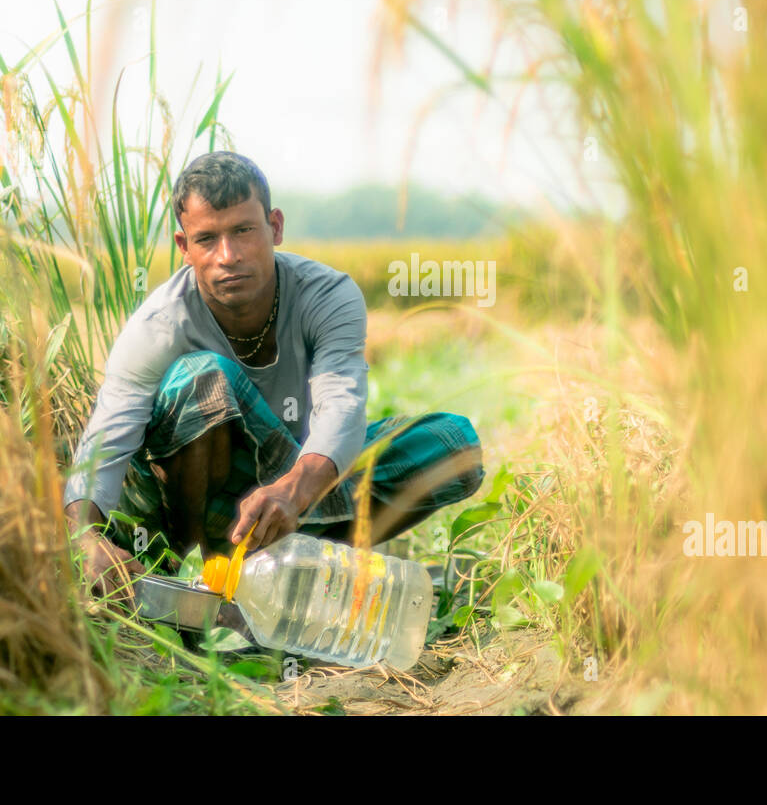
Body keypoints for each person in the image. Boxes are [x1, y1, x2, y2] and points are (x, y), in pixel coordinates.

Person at [63, 151, 485, 603]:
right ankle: (197, 585)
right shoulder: (159, 325)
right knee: (205, 376)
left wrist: (293, 489)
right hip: (186, 506)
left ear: (275, 227)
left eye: (243, 230)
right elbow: (105, 442)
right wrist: (84, 539)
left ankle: (293, 568)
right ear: (184, 248)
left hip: (289, 477)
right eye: (207, 239)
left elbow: (340, 405)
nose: (229, 256)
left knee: (452, 443)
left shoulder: (327, 295)